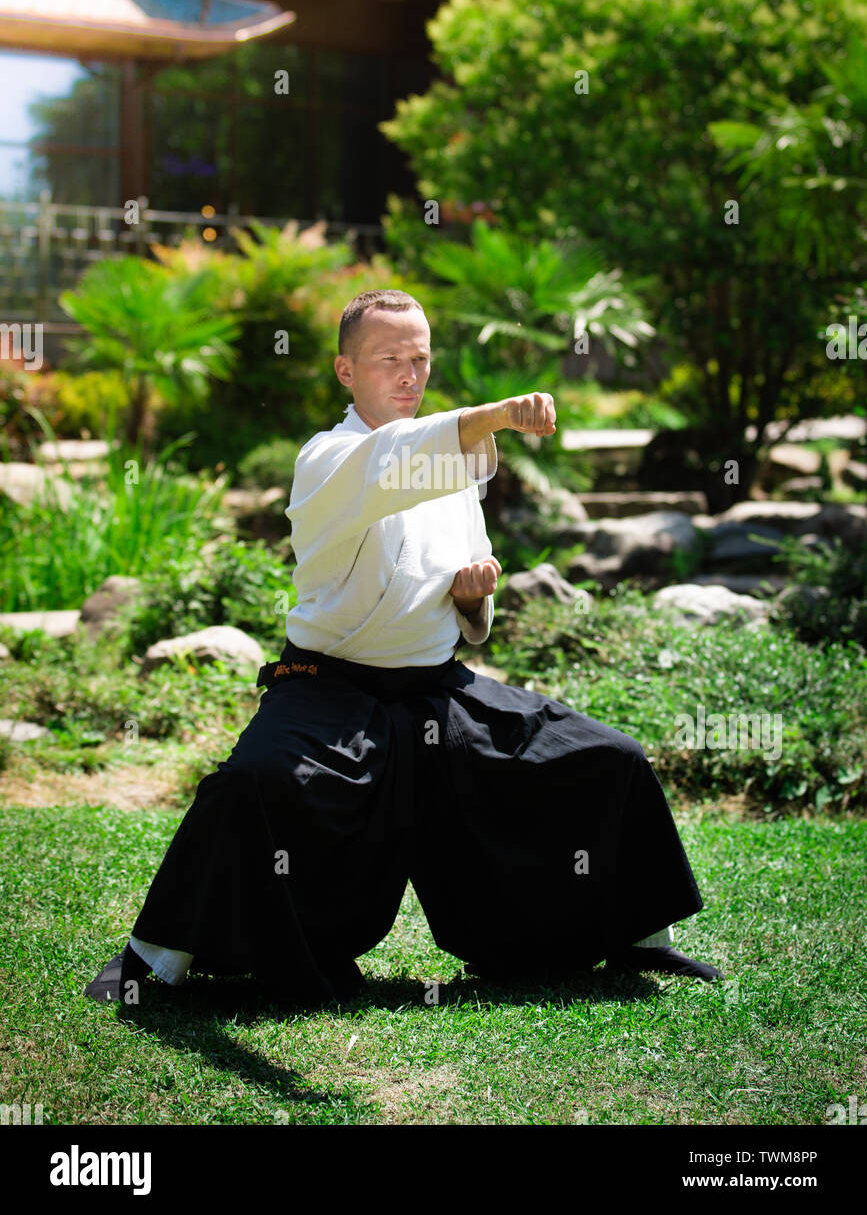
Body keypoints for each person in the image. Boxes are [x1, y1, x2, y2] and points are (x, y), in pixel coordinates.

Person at [84, 288, 721, 1008]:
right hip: (329, 691)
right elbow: (395, 463)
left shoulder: (453, 469)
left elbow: (466, 588)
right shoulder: (327, 457)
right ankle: (156, 960)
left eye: (419, 358)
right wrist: (501, 415)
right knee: (250, 785)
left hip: (436, 691)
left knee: (606, 758)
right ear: (344, 371)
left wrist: (471, 595)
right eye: (389, 359)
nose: (409, 374)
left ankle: (639, 937)